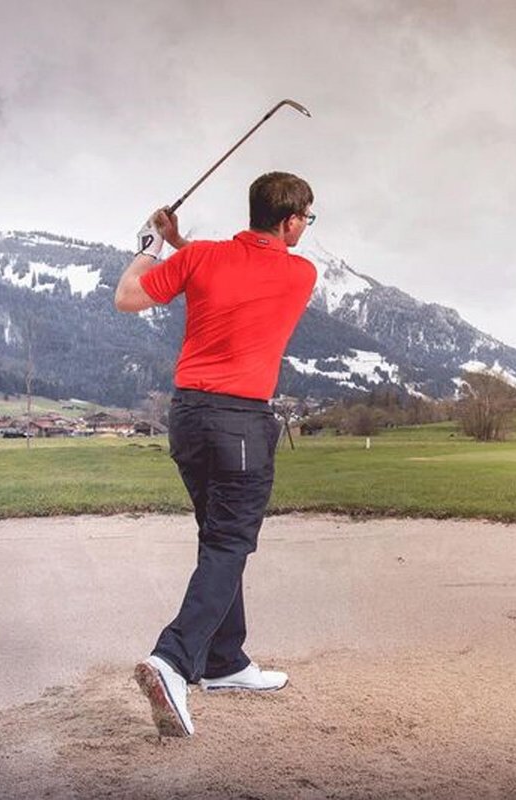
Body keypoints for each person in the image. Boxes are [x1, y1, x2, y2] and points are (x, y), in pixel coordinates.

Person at [113, 172, 318, 737]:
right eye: (306, 218)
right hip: (241, 424)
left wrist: (153, 248)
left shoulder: (200, 257)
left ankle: (225, 660)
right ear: (291, 220)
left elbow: (128, 296)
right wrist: (179, 246)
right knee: (230, 542)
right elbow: (249, 275)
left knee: (218, 538)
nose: (305, 227)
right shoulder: (301, 273)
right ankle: (174, 661)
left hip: (188, 418)